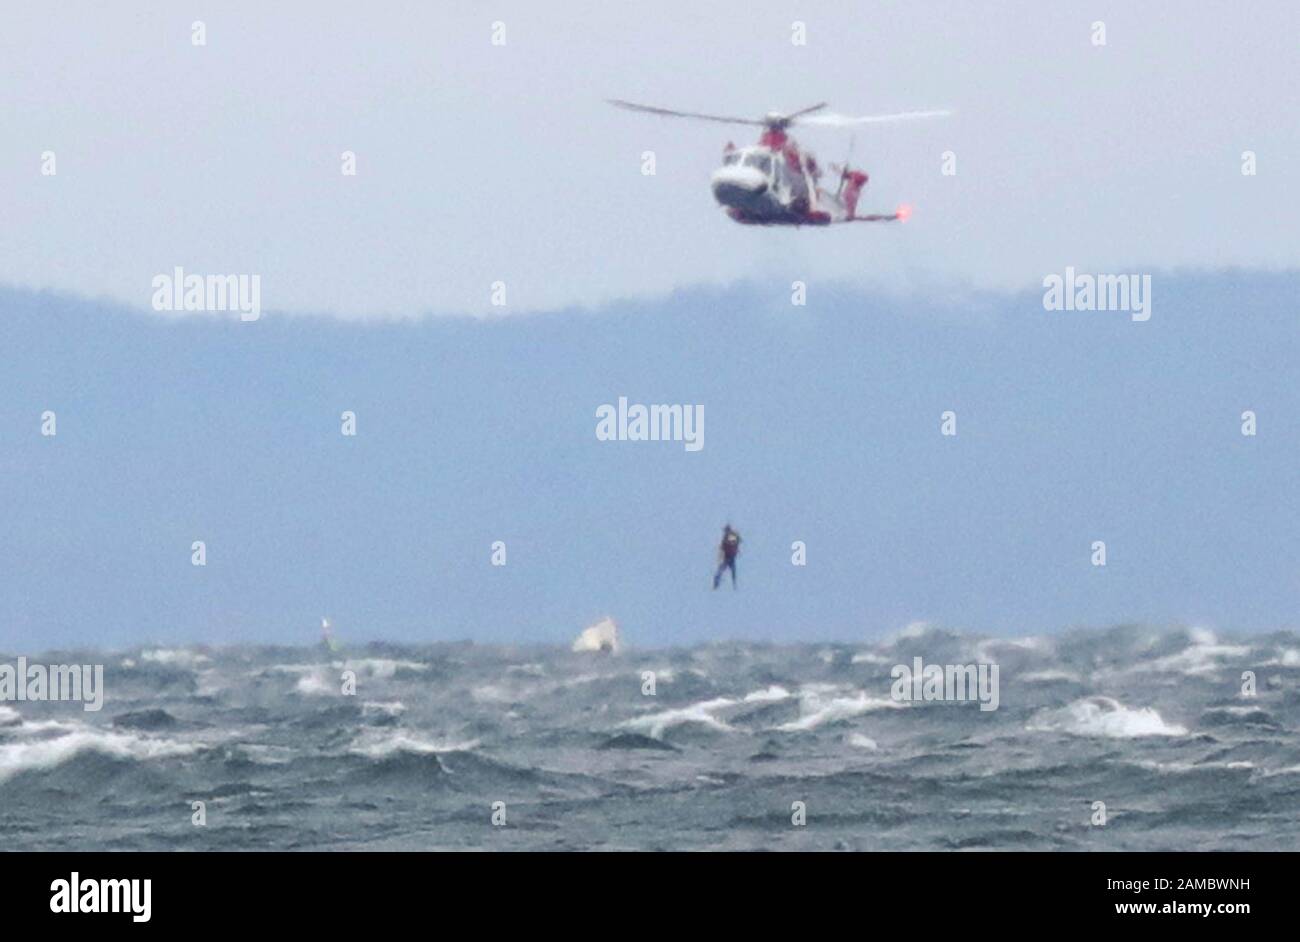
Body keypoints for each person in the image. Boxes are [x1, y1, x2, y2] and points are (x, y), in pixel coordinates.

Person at [713, 524, 741, 589]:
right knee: (723, 571)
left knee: (731, 572)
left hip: (730, 557)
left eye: (725, 530)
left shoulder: (731, 536)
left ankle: (734, 585)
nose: (725, 532)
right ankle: (716, 584)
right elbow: (722, 547)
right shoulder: (726, 537)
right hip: (727, 557)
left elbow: (733, 542)